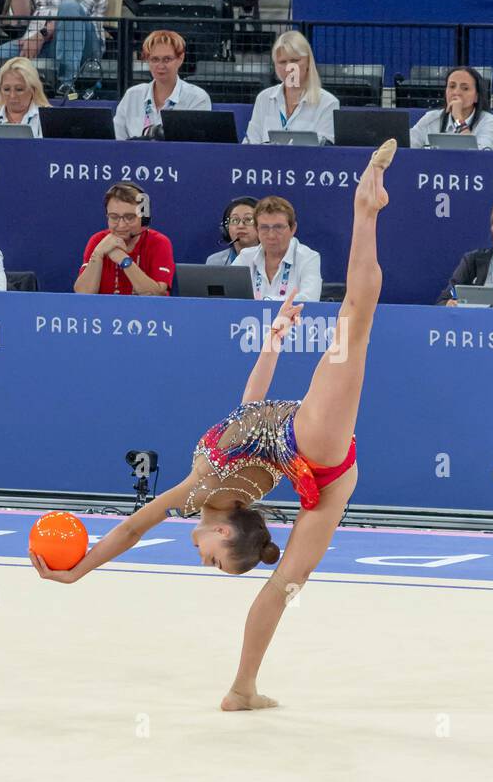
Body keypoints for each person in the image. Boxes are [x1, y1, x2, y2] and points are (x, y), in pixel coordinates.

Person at [31, 141, 398, 714]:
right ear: (225, 532)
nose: (198, 554)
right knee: (357, 313)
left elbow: (246, 412)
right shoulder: (205, 491)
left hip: (317, 462)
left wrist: (274, 345)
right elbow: (132, 529)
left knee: (285, 587)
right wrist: (78, 572)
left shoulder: (223, 484)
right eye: (211, 559)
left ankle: (244, 688)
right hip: (316, 446)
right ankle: (365, 208)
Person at [75, 182, 175, 297]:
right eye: (114, 217)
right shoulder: (98, 241)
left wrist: (124, 260)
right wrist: (97, 255)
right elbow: (82, 295)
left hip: (146, 314)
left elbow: (157, 295)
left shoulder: (159, 243)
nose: (121, 225)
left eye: (129, 217)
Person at [243, 32, 339, 144]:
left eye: (295, 60)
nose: (289, 67)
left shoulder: (328, 103)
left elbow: (325, 151)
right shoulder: (263, 98)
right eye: (282, 62)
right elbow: (250, 143)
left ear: (308, 62)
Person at [113, 29, 211, 140]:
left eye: (167, 59)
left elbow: (194, 147)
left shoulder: (197, 98)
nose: (160, 65)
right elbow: (116, 140)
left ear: (180, 59)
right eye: (154, 59)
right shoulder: (132, 95)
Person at [237, 196, 322, 302]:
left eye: (278, 227)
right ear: (256, 229)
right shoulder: (245, 257)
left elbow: (309, 301)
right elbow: (227, 297)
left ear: (293, 229)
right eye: (264, 227)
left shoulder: (308, 258)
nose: (271, 235)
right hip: (246, 318)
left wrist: (264, 301)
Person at [410, 68, 493, 149]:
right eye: (452, 86)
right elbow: (407, 146)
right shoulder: (431, 118)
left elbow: (480, 157)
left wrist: (458, 118)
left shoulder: (489, 121)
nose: (456, 92)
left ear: (476, 96)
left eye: (465, 88)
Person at [206, 197, 259, 266]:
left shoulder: (275, 261)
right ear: (226, 228)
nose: (240, 226)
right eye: (234, 220)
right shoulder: (214, 261)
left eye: (248, 220)